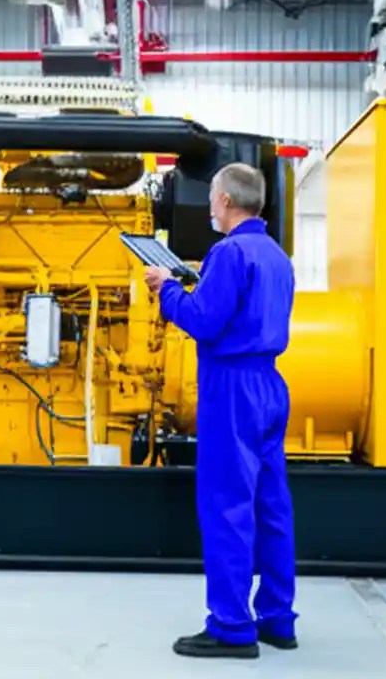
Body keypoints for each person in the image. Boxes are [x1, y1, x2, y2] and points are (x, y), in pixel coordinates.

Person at [144, 162, 298, 660]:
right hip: (270, 386)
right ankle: (277, 617)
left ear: (228, 202)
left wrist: (166, 287)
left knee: (227, 504)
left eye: (212, 197)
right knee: (270, 505)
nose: (210, 206)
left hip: (231, 389)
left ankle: (232, 626)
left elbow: (203, 322)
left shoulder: (229, 252)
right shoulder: (276, 255)